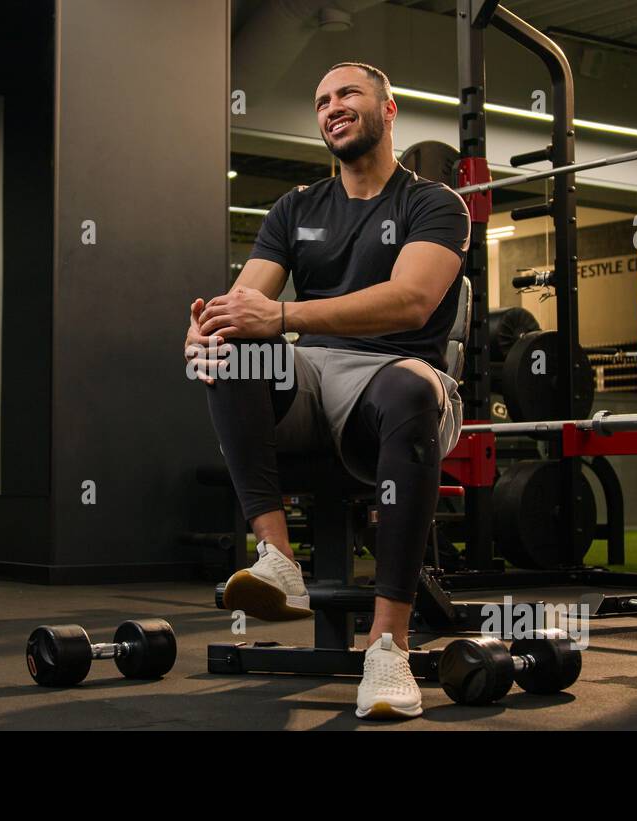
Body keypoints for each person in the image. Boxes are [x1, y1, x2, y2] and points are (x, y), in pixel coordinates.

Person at [185, 61, 470, 719]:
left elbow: (411, 300)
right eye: (322, 101)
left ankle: (388, 646)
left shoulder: (433, 203)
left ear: (389, 110)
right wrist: (203, 334)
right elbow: (243, 300)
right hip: (314, 383)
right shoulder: (296, 208)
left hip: (398, 378)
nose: (333, 107)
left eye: (348, 94)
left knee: (407, 391)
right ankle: (277, 555)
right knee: (232, 344)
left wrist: (281, 317)